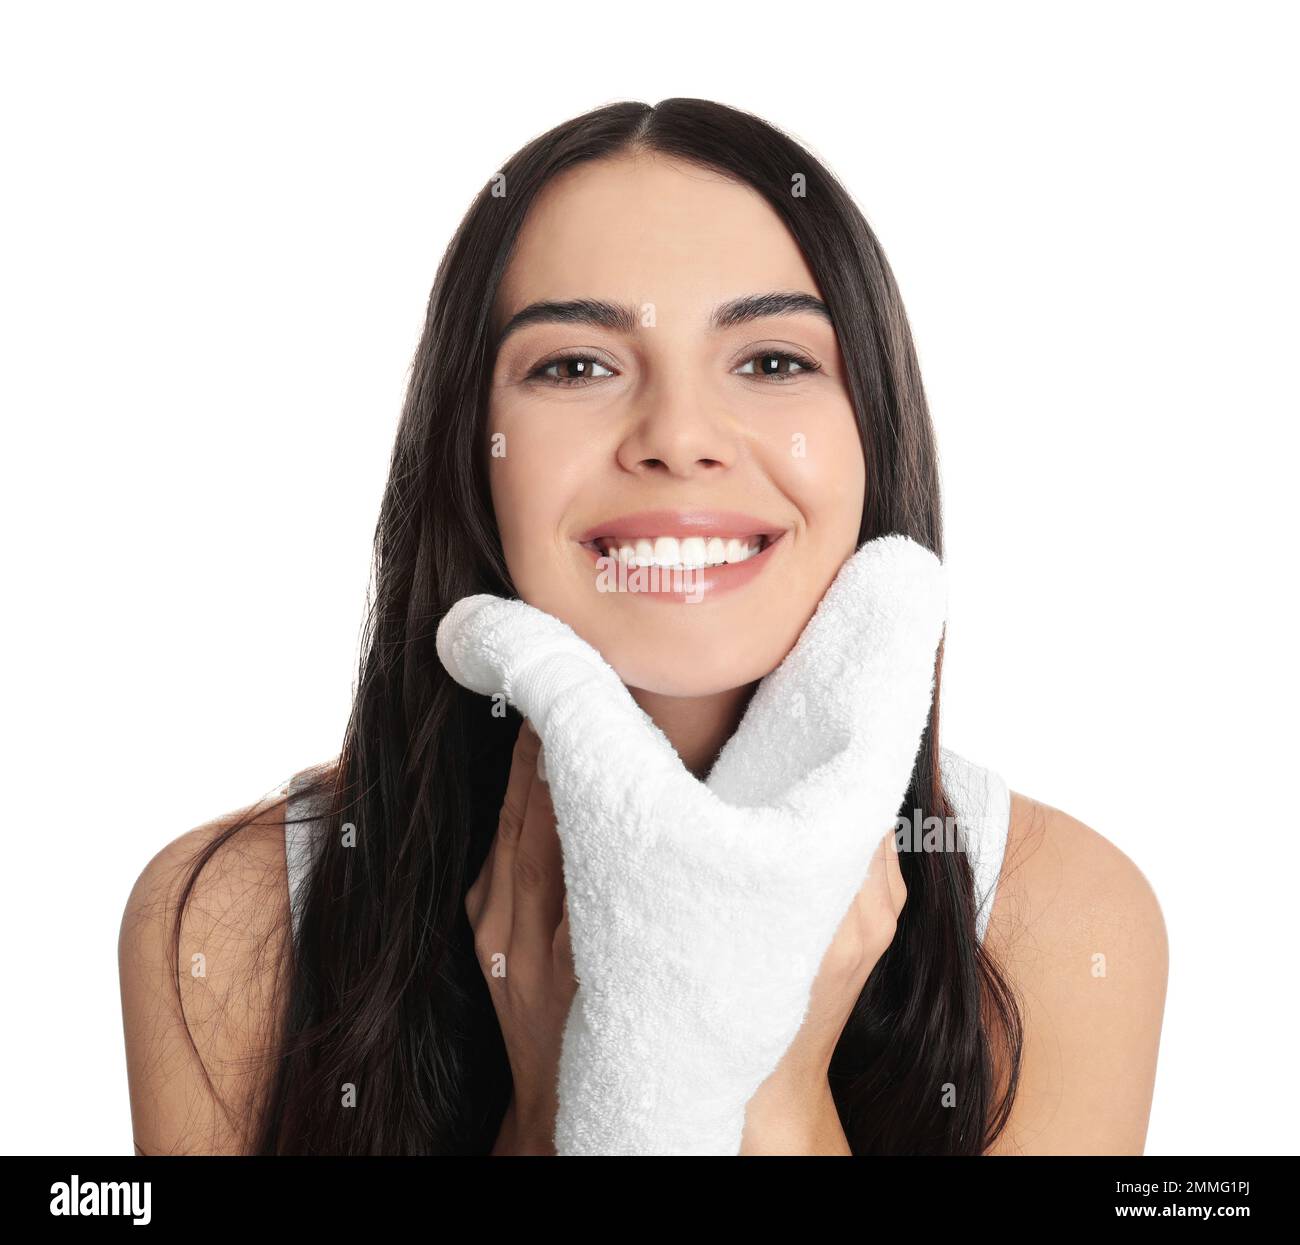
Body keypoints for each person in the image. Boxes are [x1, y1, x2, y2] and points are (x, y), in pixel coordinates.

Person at [118, 98, 1168, 1156]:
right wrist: (553, 1113)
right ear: (469, 447)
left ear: (872, 431)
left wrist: (762, 1084)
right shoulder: (230, 920)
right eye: (575, 366)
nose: (677, 437)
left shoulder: (1062, 918)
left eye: (770, 361)